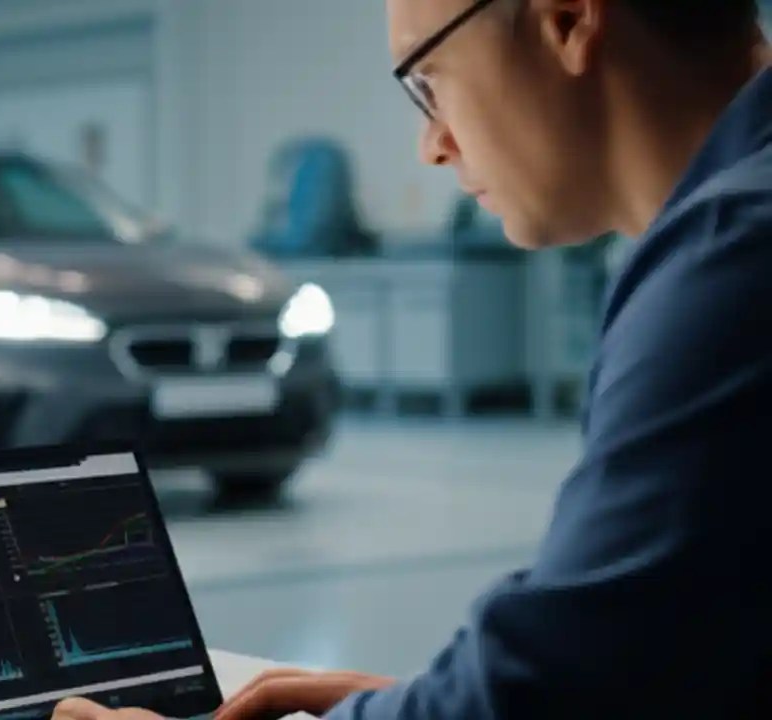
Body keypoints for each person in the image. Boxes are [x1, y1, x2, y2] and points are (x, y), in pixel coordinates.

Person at [53, 0, 772, 717]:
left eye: (429, 77)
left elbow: (560, 690)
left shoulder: (732, 265)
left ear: (567, 18)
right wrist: (429, 704)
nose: (432, 144)